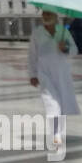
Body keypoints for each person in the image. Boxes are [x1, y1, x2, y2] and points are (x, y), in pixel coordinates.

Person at [28, 11, 79, 149]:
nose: (46, 17)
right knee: (51, 103)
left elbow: (75, 50)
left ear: (56, 17)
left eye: (49, 14)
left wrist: (65, 47)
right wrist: (32, 74)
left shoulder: (63, 32)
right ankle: (55, 134)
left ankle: (59, 133)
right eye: (44, 14)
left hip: (62, 73)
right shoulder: (37, 33)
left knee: (61, 103)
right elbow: (32, 54)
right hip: (45, 74)